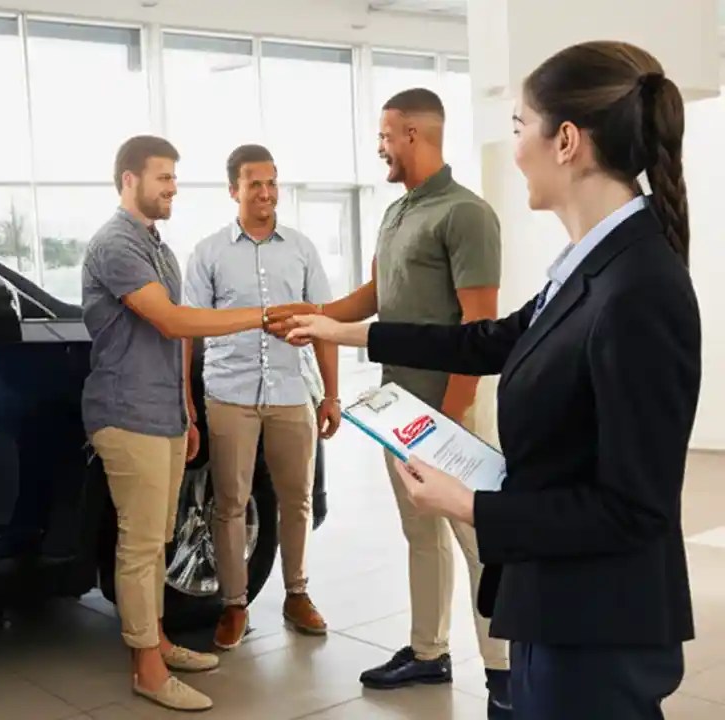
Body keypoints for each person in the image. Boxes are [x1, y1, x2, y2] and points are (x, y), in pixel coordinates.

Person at [275, 40, 699, 720]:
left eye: (516, 128)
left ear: (565, 141)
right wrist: (345, 331)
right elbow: (491, 339)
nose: (514, 149)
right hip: (554, 603)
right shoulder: (590, 262)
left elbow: (634, 509)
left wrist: (471, 504)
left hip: (596, 629)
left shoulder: (639, 288)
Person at [81, 135, 308, 712]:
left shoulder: (156, 245)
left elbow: (173, 344)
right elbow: (174, 320)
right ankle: (147, 668)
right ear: (129, 180)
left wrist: (184, 413)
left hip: (160, 413)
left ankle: (156, 640)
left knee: (157, 541)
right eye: (163, 177)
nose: (173, 187)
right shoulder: (115, 245)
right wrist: (261, 316)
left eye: (175, 178)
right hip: (126, 413)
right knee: (138, 546)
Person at [302, 87, 511, 711]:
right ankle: (428, 653)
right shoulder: (397, 213)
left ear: (415, 134)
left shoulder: (467, 215)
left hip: (449, 412)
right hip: (398, 410)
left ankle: (504, 671)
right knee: (420, 535)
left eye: (387, 134)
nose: (381, 146)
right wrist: (311, 317)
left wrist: (448, 423)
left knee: (478, 542)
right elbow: (375, 296)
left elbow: (480, 330)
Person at [183, 144, 340, 651]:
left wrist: (331, 395)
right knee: (230, 503)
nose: (267, 192)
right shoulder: (208, 252)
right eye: (255, 184)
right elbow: (190, 331)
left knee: (295, 501)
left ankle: (298, 595)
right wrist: (186, 400)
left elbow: (324, 324)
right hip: (229, 394)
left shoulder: (300, 248)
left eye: (272, 183)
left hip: (293, 392)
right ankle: (234, 605)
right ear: (234, 190)